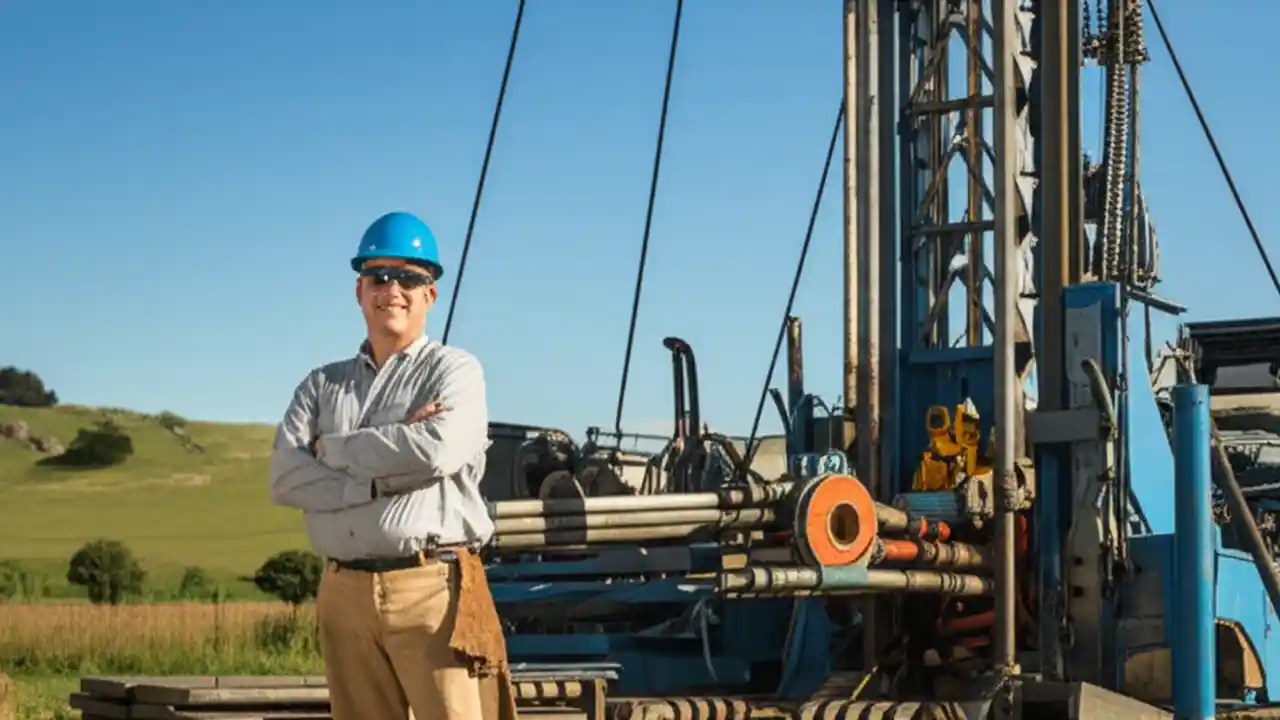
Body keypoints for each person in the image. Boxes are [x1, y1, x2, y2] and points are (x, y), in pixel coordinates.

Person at [268, 211, 515, 720]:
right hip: (342, 592)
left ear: (431, 294)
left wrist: (334, 450)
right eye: (379, 276)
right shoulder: (322, 384)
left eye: (408, 278)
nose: (392, 290)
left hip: (431, 588)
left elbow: (439, 450)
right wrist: (382, 475)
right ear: (359, 290)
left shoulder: (454, 370)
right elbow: (287, 478)